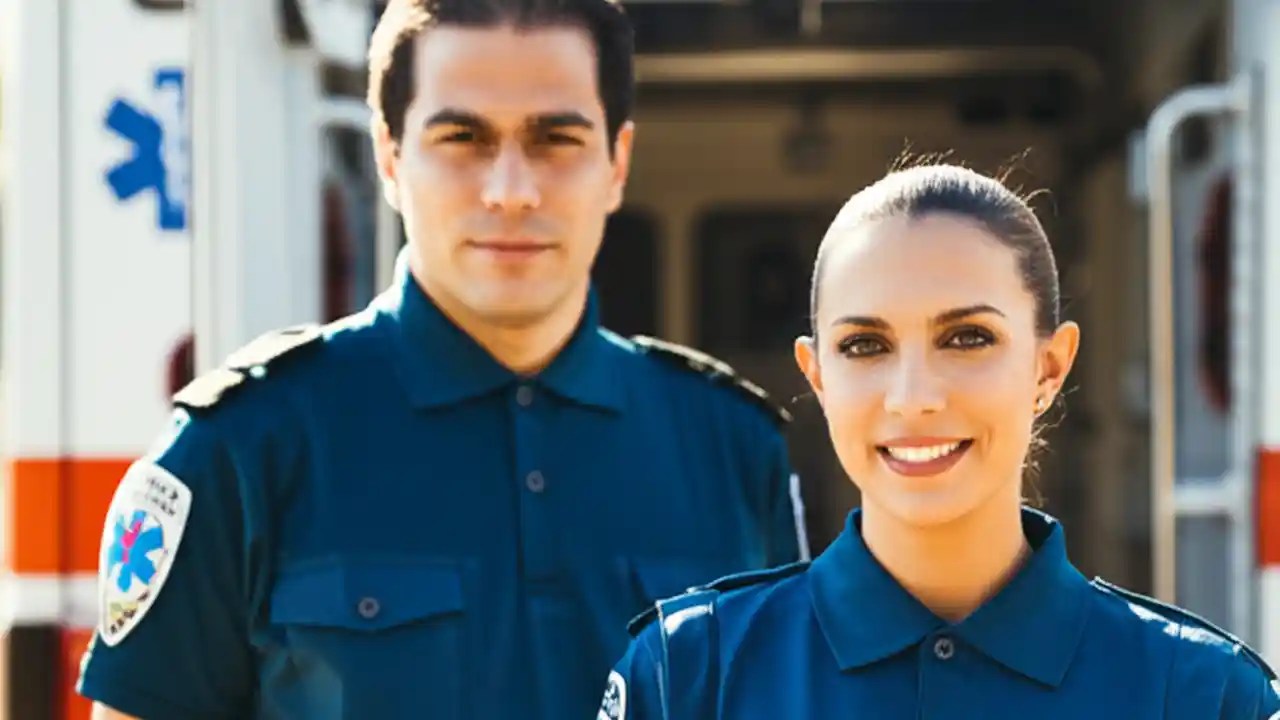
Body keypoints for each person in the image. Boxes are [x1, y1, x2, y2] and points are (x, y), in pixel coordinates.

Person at [77, 1, 806, 718]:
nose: (512, 191)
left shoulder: (733, 449)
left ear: (616, 163)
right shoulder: (240, 448)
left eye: (557, 139)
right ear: (390, 158)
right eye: (463, 137)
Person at [602, 163, 1280, 720]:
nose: (913, 395)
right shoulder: (688, 675)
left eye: (966, 338)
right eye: (865, 345)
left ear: (1049, 366)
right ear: (818, 376)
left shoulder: (1204, 695)